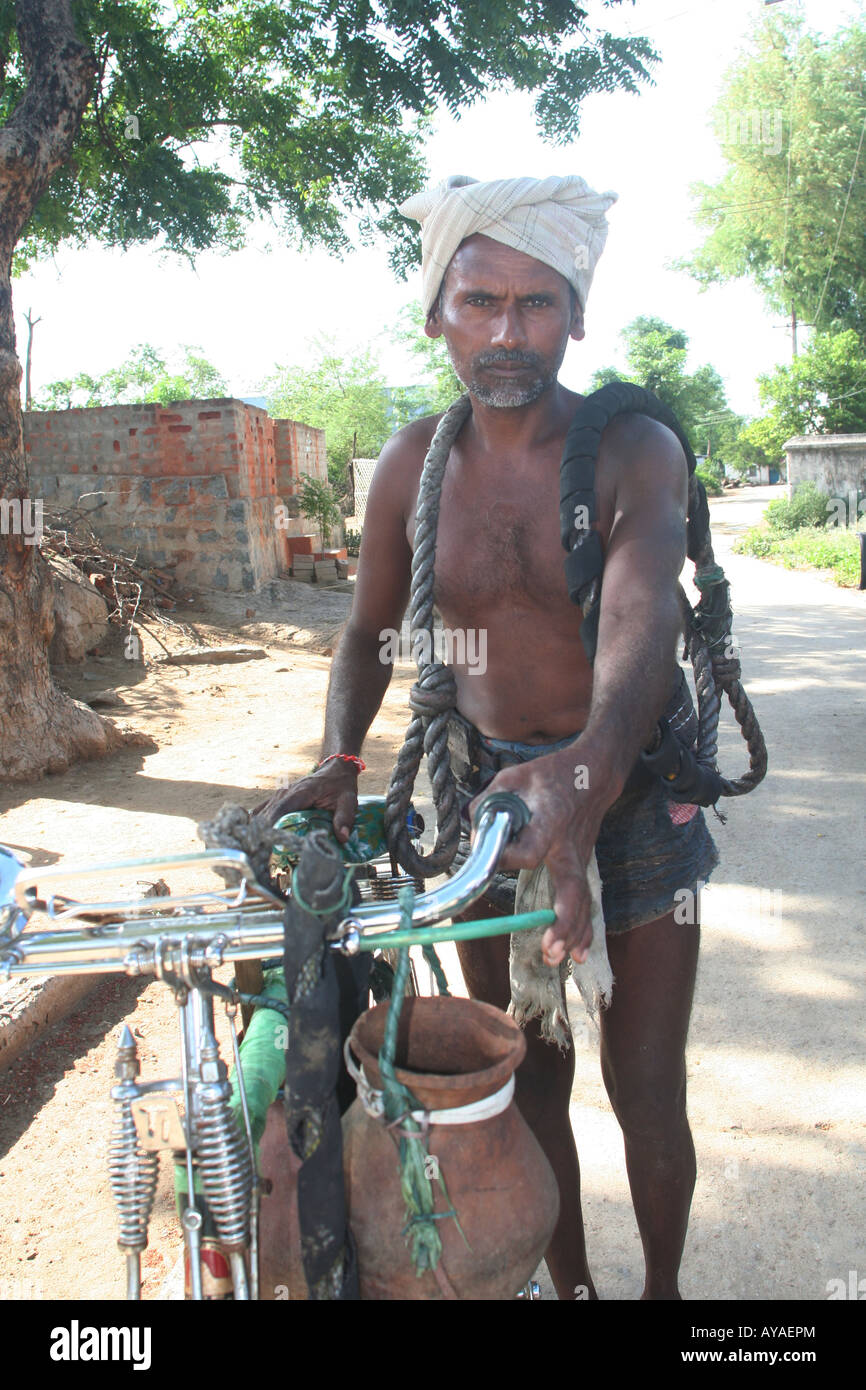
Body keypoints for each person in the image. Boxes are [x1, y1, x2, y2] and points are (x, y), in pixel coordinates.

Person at [256, 175, 718, 1300]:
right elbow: (367, 632)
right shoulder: (412, 467)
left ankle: (658, 1295)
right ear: (436, 315)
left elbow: (638, 635)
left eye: (536, 303)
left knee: (645, 1083)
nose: (507, 332)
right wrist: (340, 757)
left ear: (575, 314)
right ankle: (572, 1292)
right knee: (528, 1078)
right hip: (482, 803)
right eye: (479, 302)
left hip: (634, 785)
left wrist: (577, 785)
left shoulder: (633, 452)